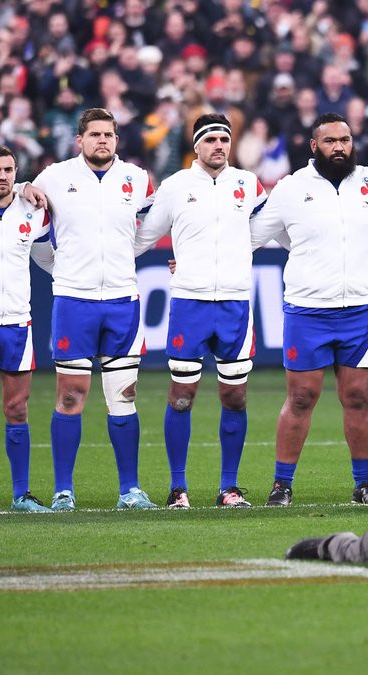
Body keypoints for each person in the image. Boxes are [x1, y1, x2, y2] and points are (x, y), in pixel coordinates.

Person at [248, 112, 368, 507]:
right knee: (301, 398)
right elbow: (253, 233)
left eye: (345, 140)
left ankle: (364, 484)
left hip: (358, 310)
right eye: (331, 141)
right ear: (313, 146)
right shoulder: (290, 187)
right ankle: (281, 485)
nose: (340, 147)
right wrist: (196, 259)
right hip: (307, 309)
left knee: (357, 398)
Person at [27, 108, 157, 511]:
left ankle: (130, 491)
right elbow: (33, 231)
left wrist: (123, 258)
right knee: (70, 396)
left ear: (118, 140)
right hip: (73, 300)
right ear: (79, 140)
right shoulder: (53, 176)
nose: (103, 140)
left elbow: (151, 228)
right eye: (95, 134)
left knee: (124, 395)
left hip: (122, 301)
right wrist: (62, 267)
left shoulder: (136, 179)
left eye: (109, 134)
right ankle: (63, 490)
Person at [133, 113, 265, 509]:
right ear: (197, 146)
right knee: (181, 396)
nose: (219, 146)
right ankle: (178, 488)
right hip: (189, 303)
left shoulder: (248, 184)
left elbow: (267, 230)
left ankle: (230, 487)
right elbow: (142, 237)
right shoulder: (175, 186)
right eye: (211, 140)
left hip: (235, 303)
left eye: (224, 139)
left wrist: (233, 257)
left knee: (235, 396)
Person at [0, 144, 53, 511]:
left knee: (17, 408)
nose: (2, 177)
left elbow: (48, 259)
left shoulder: (31, 211)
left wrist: (27, 187)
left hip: (16, 322)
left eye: (9, 170)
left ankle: (21, 494)